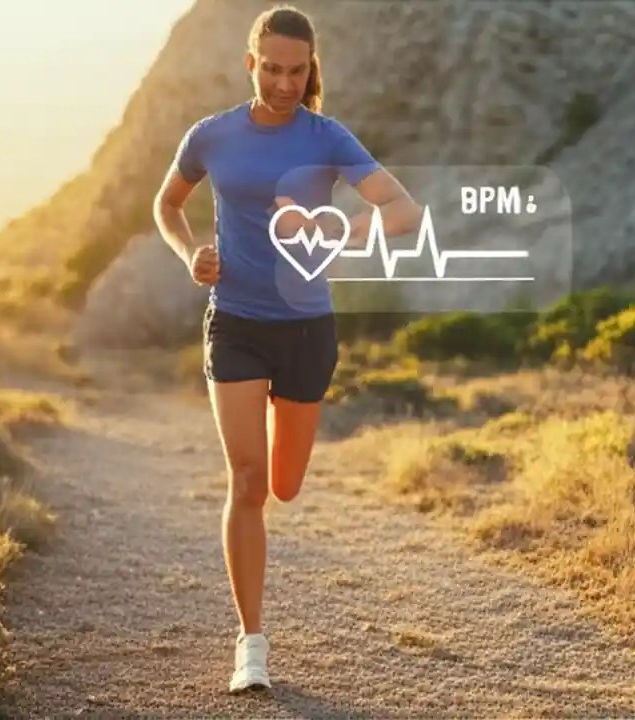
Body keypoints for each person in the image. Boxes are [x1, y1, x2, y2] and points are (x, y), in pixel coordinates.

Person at [152, 4, 422, 694]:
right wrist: (190, 254)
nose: (283, 83)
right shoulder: (212, 136)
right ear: (251, 63)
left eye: (296, 71)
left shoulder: (327, 137)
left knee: (284, 485)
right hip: (235, 322)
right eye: (271, 68)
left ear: (310, 70)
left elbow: (403, 210)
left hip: (306, 331)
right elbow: (167, 205)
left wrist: (341, 232)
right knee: (247, 483)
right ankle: (251, 644)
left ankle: (279, 449)